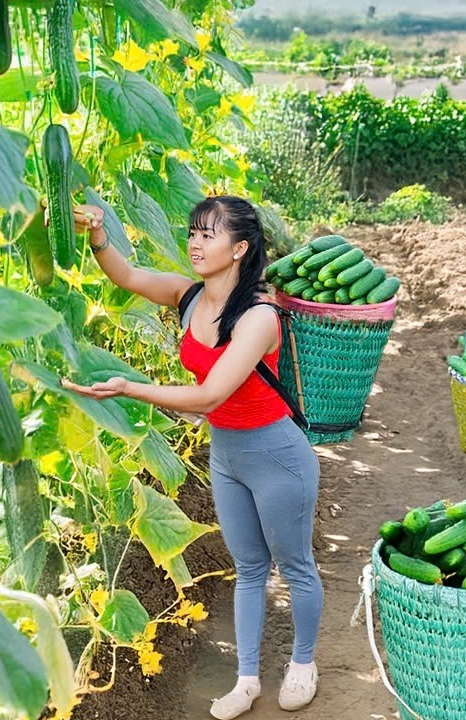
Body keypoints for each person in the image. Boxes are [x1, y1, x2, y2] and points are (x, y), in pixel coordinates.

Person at [59, 196, 322, 719]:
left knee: (294, 566)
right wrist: (97, 237)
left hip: (278, 456)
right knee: (248, 568)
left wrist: (130, 388)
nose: (194, 243)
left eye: (208, 234)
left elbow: (208, 397)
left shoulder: (260, 318)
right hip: (227, 456)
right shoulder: (189, 297)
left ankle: (303, 663)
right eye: (193, 232)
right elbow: (127, 276)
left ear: (240, 248)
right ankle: (246, 679)